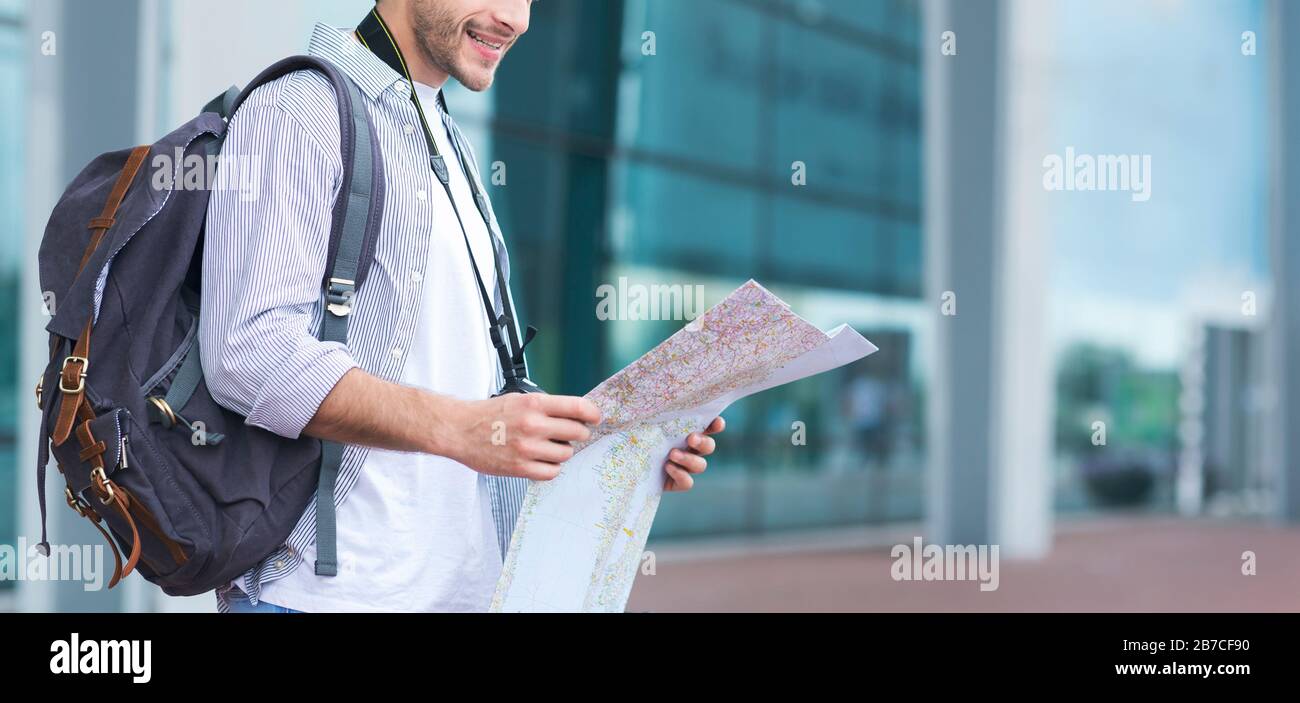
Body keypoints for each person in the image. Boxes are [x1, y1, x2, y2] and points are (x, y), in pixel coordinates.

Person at [203, 0, 725, 613]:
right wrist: (463, 431)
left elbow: (457, 387)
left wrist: (621, 447)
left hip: (464, 594)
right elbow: (248, 351)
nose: (516, 18)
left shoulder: (446, 136)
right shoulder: (299, 110)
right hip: (328, 597)